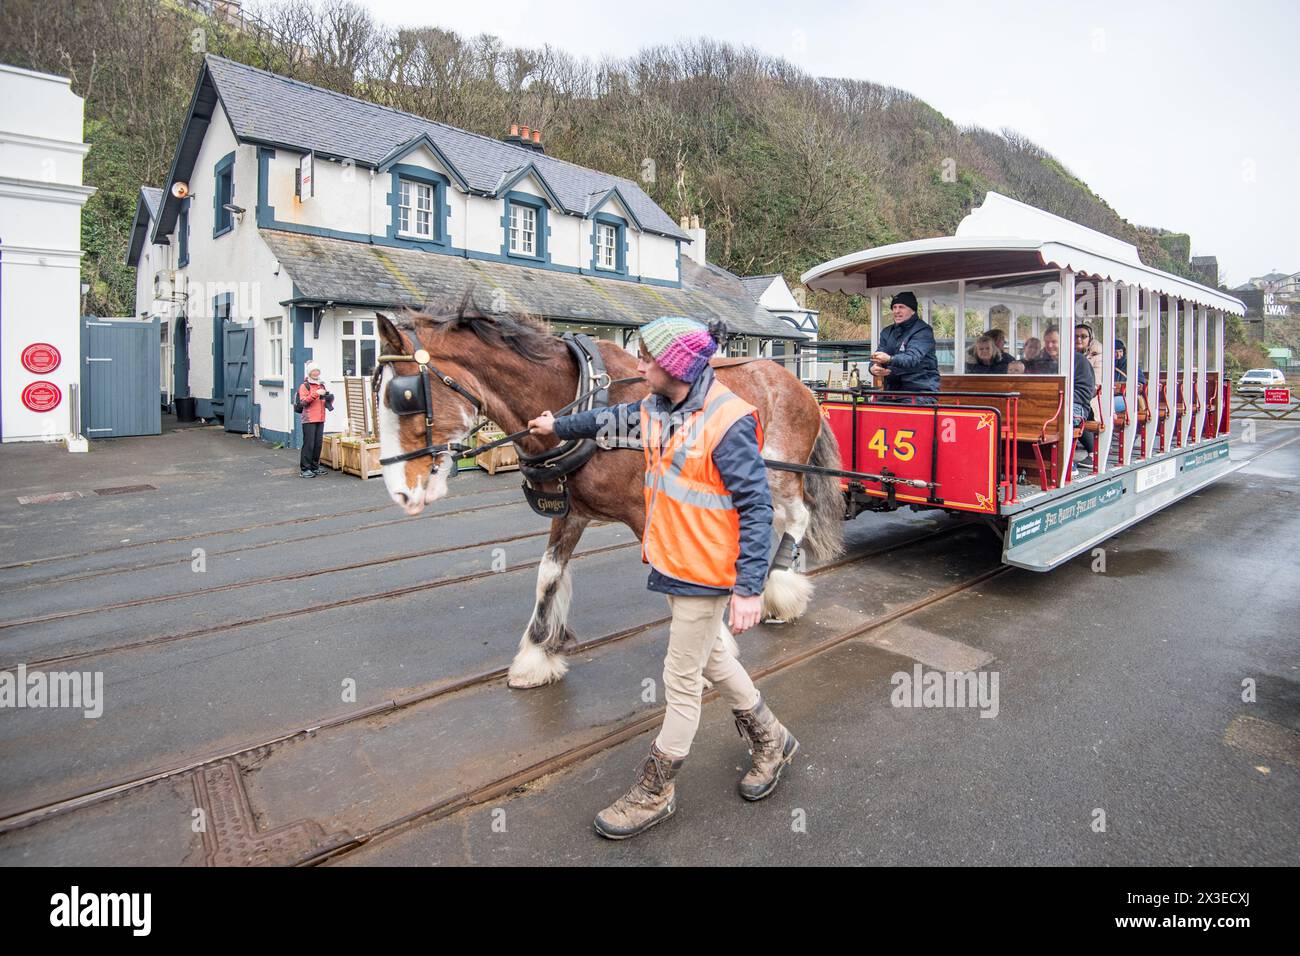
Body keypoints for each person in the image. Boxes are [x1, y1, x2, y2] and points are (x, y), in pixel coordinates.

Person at [527, 316, 795, 840]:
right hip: (675, 561)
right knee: (713, 660)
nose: (639, 365)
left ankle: (656, 791)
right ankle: (772, 739)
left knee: (680, 679)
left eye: (648, 358)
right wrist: (555, 426)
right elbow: (608, 420)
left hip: (707, 570)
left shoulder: (728, 419)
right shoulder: (656, 407)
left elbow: (757, 508)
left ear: (673, 366)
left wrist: (747, 588)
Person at [870, 291, 940, 400]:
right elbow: (878, 356)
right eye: (894, 307)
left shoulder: (923, 331)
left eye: (901, 307)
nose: (897, 311)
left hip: (920, 393)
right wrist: (873, 368)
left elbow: (912, 358)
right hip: (891, 392)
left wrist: (889, 359)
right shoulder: (886, 332)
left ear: (913, 311)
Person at [297, 362, 333, 478]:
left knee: (318, 444)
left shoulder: (321, 385)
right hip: (309, 419)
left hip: (320, 418)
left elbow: (324, 401)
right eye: (314, 371)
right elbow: (303, 402)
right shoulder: (304, 386)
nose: (316, 372)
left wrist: (329, 397)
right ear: (309, 372)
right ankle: (305, 469)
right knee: (309, 444)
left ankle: (314, 466)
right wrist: (315, 394)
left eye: (318, 370)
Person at [1114, 338, 1145, 415]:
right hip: (1107, 397)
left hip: (1126, 397)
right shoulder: (1104, 364)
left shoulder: (1130, 365)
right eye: (1115, 352)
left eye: (1120, 351)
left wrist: (1124, 387)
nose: (1118, 355)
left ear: (1124, 352)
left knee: (1109, 405)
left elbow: (1140, 382)